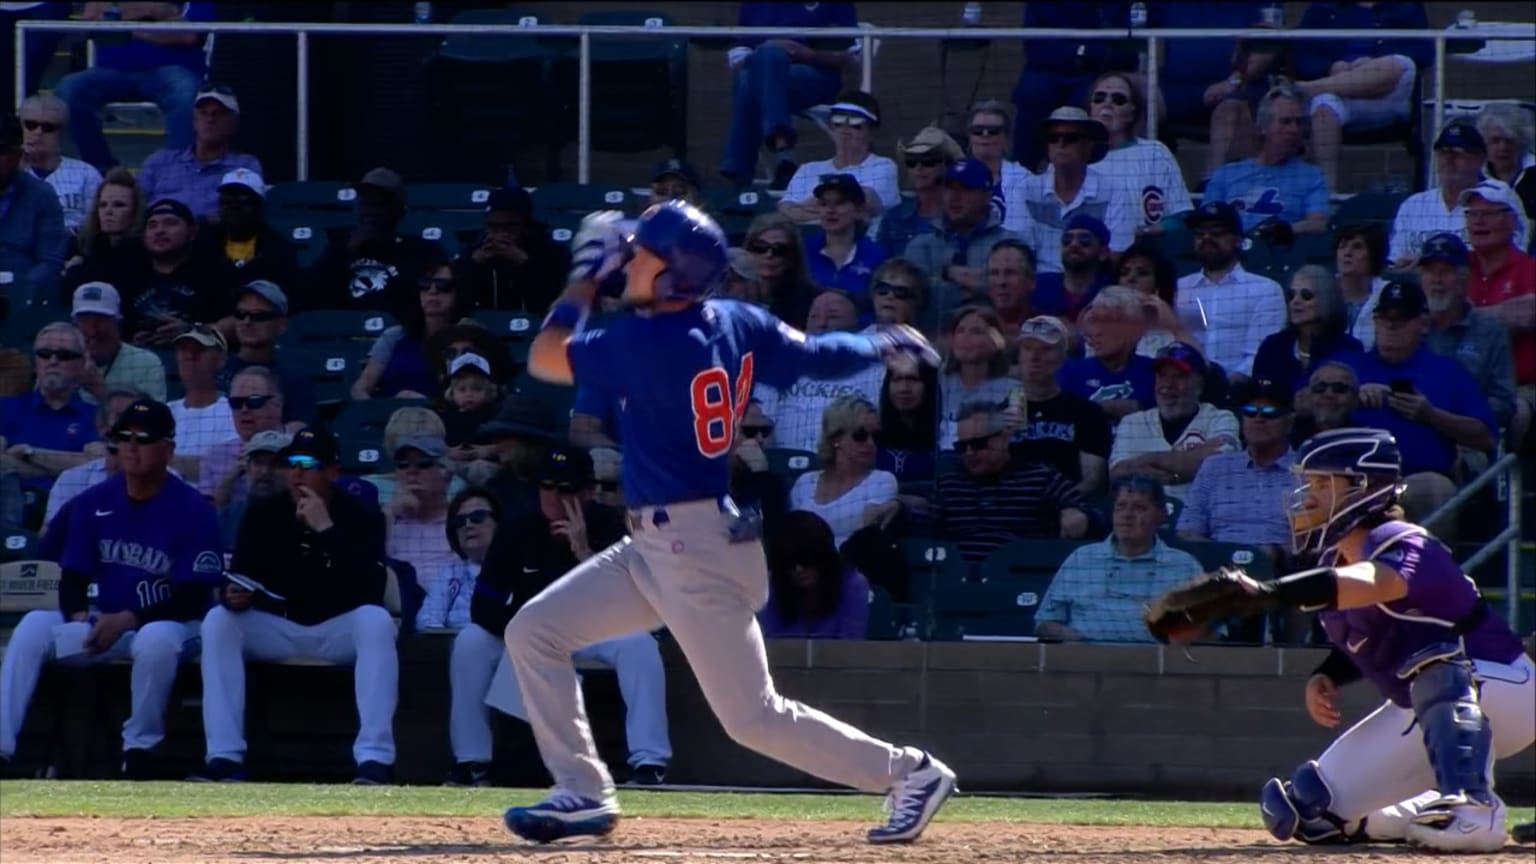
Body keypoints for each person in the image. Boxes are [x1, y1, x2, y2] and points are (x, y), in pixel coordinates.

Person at [504, 200, 954, 844]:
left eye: (641, 255)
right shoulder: (734, 320)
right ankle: (582, 790)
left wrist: (581, 281)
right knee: (535, 631)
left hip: (690, 550)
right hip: (668, 541)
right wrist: (878, 343)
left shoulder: (644, 341)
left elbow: (546, 356)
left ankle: (910, 772)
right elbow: (816, 354)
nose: (628, 261)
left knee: (752, 717)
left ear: (673, 274)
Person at [1246, 428, 1533, 852]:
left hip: (1502, 688)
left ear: (1364, 488)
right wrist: (1327, 674)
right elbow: (1370, 631)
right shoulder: (1333, 560)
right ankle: (1427, 812)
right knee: (1314, 810)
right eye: (1309, 483)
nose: (1308, 497)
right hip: (1424, 707)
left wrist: (1269, 592)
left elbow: (1380, 582)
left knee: (1436, 665)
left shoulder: (1401, 538)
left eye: (1323, 483)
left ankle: (1474, 810)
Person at [0, 398, 222, 780]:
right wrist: (79, 617)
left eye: (144, 438)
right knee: (34, 625)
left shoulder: (193, 508)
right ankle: (3, 747)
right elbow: (73, 576)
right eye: (124, 437)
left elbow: (193, 596)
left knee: (155, 640)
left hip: (178, 627)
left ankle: (140, 751)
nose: (132, 447)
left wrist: (128, 619)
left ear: (168, 449)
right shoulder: (94, 501)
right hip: (106, 628)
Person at [193, 427, 396, 785]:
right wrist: (233, 596)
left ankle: (374, 759)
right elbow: (240, 575)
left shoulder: (362, 515)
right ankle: (224, 757)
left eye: (307, 463)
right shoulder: (262, 514)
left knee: (377, 621)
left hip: (337, 630)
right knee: (218, 621)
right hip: (279, 628)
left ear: (332, 471)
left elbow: (371, 588)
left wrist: (326, 529)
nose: (297, 472)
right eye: (291, 464)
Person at [473, 447, 672, 788]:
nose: (553, 496)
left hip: (596, 632)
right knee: (470, 643)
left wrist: (584, 552)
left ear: (587, 492)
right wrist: (523, 632)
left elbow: (634, 601)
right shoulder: (518, 526)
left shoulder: (610, 525)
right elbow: (483, 604)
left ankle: (649, 762)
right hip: (534, 634)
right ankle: (472, 762)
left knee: (640, 646)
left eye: (565, 489)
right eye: (546, 486)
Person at [1036, 474, 1202, 644]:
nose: (1127, 515)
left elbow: (1210, 630)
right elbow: (1045, 622)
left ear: (1161, 515)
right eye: (1121, 506)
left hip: (1158, 658)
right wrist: (1069, 637)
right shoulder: (1081, 559)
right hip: (1086, 656)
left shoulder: (1185, 566)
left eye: (1139, 507)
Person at [53, 2, 214, 172]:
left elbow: (187, 35)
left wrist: (123, 23)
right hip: (110, 71)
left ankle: (178, 171)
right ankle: (101, 170)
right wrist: (155, 13)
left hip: (173, 71)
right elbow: (91, 18)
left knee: (186, 92)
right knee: (68, 89)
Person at [1289, 1, 1432, 192]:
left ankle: (1309, 89)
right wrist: (1330, 66)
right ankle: (1326, 194)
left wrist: (1373, 62)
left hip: (1388, 94)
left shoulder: (1406, 7)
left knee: (1400, 63)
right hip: (1339, 93)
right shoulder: (1323, 7)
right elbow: (1300, 54)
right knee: (1323, 107)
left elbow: (1425, 50)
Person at [720, 2, 859, 190]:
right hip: (766, 80)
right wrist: (768, 60)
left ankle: (739, 178)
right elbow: (738, 56)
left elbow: (852, 59)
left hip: (816, 77)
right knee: (763, 61)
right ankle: (782, 151)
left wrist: (807, 55)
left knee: (750, 78)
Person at [936, 400, 1090, 563]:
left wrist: (1079, 516)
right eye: (961, 446)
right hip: (958, 572)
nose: (969, 453)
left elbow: (1094, 518)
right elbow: (926, 523)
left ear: (1003, 439)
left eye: (978, 444)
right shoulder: (948, 485)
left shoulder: (1041, 478)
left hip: (1023, 570)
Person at [1109, 342, 1240, 499]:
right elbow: (1118, 474)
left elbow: (1218, 464)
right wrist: (1191, 461)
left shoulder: (1221, 419)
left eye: (1179, 376)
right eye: (1162, 375)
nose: (1167, 385)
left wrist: (1146, 461)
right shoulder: (1132, 422)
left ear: (1200, 383)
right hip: (1145, 513)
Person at [1174, 201, 1287, 380]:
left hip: (1243, 388)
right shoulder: (1179, 288)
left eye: (1217, 232)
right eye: (1200, 233)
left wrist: (1225, 387)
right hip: (1184, 384)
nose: (1206, 238)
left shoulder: (1265, 290)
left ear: (1239, 240)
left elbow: (1259, 355)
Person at [1018, 107, 1136, 275]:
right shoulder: (1026, 190)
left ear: (1088, 146)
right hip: (1037, 283)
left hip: (1093, 282)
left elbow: (1117, 252)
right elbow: (1018, 251)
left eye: (1071, 138)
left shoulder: (1114, 192)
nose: (1061, 144)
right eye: (1053, 138)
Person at [1419, 233, 1517, 431]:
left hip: (1467, 434)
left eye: (1445, 272)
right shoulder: (1407, 324)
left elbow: (1505, 403)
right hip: (1412, 428)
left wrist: (1451, 412)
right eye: (1430, 272)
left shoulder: (1491, 331)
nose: (1437, 280)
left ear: (1464, 278)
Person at [1204, 86, 1329, 235]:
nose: (1294, 129)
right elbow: (1206, 221)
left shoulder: (1312, 176)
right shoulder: (1225, 174)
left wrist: (1284, 230)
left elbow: (1318, 223)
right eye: (1286, 122)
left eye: (1298, 122)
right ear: (1264, 127)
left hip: (1280, 246)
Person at [1009, 315, 1111, 494]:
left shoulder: (1087, 414)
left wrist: (1058, 503)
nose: (1034, 357)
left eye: (1045, 349)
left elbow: (1092, 480)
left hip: (1066, 504)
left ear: (1063, 356)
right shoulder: (998, 412)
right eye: (1027, 348)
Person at [135, 84, 263, 221]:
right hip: (158, 231)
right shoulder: (158, 162)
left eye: (218, 113)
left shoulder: (245, 166)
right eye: (203, 113)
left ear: (233, 123)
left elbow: (243, 215)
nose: (210, 119)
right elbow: (135, 206)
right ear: (194, 121)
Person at [1087, 72, 1192, 235]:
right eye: (1099, 98)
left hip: (1143, 246)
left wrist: (1143, 233)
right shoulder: (1074, 154)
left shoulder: (1154, 153)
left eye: (1118, 99)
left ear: (1132, 113)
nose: (1107, 104)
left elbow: (1180, 217)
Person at [787, 396, 899, 549]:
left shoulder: (882, 481)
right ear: (835, 438)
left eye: (876, 436)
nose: (870, 443)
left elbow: (865, 542)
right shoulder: (805, 482)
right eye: (860, 435)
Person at [778, 90, 899, 223]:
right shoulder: (807, 170)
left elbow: (870, 202)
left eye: (855, 126)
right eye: (838, 123)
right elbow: (785, 209)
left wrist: (804, 208)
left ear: (872, 132)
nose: (845, 131)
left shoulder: (883, 166)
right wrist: (841, 208)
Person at [452, 186, 569, 315]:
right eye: (493, 226)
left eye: (509, 226)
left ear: (526, 226)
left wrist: (525, 263)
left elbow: (552, 298)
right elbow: (455, 299)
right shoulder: (475, 250)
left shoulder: (551, 253)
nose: (501, 233)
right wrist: (472, 264)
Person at [1252, 266, 1364, 400]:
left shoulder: (1348, 348)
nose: (1295, 301)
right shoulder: (1272, 346)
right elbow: (1259, 387)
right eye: (1291, 295)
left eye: (1306, 295)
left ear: (1327, 301)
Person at [759, 511, 870, 639]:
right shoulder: (772, 586)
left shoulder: (852, 584)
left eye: (806, 560)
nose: (799, 569)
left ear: (823, 555)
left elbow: (851, 642)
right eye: (790, 563)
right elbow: (770, 641)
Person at [1387, 123, 1485, 268]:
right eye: (1443, 152)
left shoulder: (1494, 201)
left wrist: (1428, 262)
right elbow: (1395, 262)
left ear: (1479, 159)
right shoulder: (1414, 205)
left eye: (1457, 153)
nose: (1448, 160)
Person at [191, 169, 299, 295]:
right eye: (227, 201)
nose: (233, 207)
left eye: (243, 201)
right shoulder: (202, 242)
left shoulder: (277, 248)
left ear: (259, 206)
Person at [0, 110, 68, 307]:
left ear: (18, 155)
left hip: (22, 296)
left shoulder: (42, 195)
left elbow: (51, 260)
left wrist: (22, 288)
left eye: (1, 151)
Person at [71, 281, 168, 402]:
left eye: (101, 320)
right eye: (85, 320)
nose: (92, 330)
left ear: (118, 322)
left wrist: (100, 390)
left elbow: (150, 412)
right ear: (74, 324)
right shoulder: (59, 358)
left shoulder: (146, 363)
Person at [20, 93, 101, 234]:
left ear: (62, 133)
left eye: (48, 127)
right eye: (30, 125)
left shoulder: (87, 174)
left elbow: (96, 227)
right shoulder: (7, 172)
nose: (38, 132)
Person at [876, 127, 962, 257]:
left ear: (947, 166)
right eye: (911, 162)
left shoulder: (963, 218)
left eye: (928, 161)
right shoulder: (893, 218)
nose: (918, 167)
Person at [804, 173, 888, 297]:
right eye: (824, 204)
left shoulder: (877, 255)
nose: (830, 210)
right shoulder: (802, 250)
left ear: (859, 210)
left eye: (840, 203)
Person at [964, 100, 1031, 234]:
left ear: (1006, 138)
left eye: (993, 131)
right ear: (970, 138)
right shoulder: (952, 180)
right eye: (978, 131)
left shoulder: (1026, 179)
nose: (985, 135)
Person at [1475, 103, 1536, 223]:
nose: (1503, 147)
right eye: (1495, 141)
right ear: (1484, 143)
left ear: (1522, 142)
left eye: (1509, 141)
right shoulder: (1474, 178)